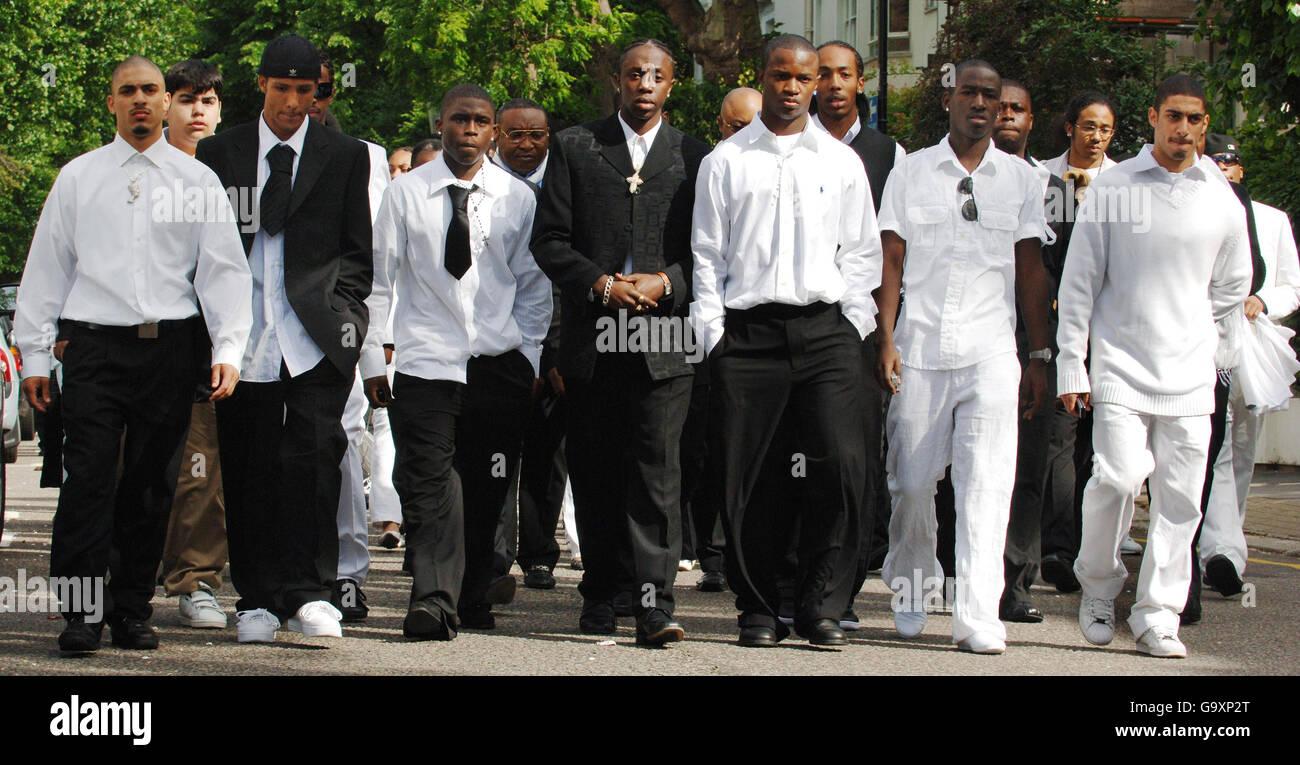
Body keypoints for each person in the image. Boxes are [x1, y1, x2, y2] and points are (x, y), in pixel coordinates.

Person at [16, 55, 252, 653]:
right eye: (130, 91)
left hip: (171, 350)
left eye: (151, 90)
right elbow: (46, 270)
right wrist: (37, 357)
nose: (142, 100)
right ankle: (81, 614)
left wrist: (228, 346)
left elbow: (223, 270)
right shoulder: (79, 178)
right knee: (88, 482)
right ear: (113, 102)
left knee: (152, 486)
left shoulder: (196, 182)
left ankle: (130, 610)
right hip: (96, 348)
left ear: (166, 100)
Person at [692, 34, 881, 648]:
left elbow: (862, 253)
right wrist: (715, 336)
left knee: (841, 466)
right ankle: (757, 606)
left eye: (807, 78)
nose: (795, 88)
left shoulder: (841, 162)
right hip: (748, 336)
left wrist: (853, 325)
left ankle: (821, 604)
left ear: (818, 85)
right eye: (782, 76)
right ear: (765, 77)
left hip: (826, 331)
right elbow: (706, 257)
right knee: (751, 475)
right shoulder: (724, 161)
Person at [1058, 74, 1251, 659]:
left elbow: (1232, 285)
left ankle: (1157, 613)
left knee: (1180, 498)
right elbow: (1080, 281)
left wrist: (1214, 350)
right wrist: (1073, 362)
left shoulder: (1221, 195)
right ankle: (1097, 586)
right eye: (1174, 117)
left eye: (1195, 119)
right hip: (1119, 364)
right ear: (1153, 117)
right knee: (1115, 479)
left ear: (1205, 123)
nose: (1184, 130)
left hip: (1190, 375)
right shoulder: (1115, 186)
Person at [195, 34, 373, 643]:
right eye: (283, 89)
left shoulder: (345, 154)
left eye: (307, 90)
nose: (294, 102)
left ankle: (311, 590)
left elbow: (357, 253)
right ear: (263, 87)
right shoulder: (221, 152)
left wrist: (346, 328)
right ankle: (256, 600)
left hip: (315, 339)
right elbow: (201, 248)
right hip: (240, 341)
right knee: (248, 470)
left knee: (317, 466)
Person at [532, 38, 709, 646]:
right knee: (596, 465)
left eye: (656, 76)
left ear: (671, 85)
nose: (644, 84)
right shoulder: (577, 146)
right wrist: (601, 285)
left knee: (658, 469)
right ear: (618, 79)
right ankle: (601, 592)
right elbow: (550, 241)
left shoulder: (695, 154)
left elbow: (710, 252)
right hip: (594, 332)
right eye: (635, 73)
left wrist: (667, 282)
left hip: (664, 333)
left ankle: (654, 602)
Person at [874, 59, 1054, 655]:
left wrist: (1038, 353)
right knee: (913, 481)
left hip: (992, 352)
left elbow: (1030, 271)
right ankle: (913, 585)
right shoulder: (912, 171)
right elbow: (891, 260)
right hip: (921, 347)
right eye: (969, 93)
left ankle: (977, 613)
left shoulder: (1026, 182)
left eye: (992, 97)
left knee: (986, 484)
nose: (981, 105)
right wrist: (886, 337)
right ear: (948, 99)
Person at [363, 83, 549, 638]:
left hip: (497, 364)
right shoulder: (405, 194)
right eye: (459, 119)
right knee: (428, 483)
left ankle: (471, 596)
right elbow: (378, 282)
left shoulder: (518, 198)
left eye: (480, 121)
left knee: (486, 487)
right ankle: (431, 599)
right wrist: (374, 358)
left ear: (493, 130)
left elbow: (534, 286)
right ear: (440, 123)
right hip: (426, 363)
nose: (469, 130)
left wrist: (530, 358)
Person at [811, 38, 905, 627]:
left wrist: (883, 331)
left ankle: (844, 589)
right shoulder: (791, 143)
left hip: (865, 326)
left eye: (845, 73)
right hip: (802, 323)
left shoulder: (890, 154)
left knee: (856, 458)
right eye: (825, 74)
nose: (835, 84)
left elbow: (893, 251)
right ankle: (799, 577)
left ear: (862, 81)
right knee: (804, 457)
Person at [1186, 135, 1300, 616]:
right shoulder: (1193, 213)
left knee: (1240, 453)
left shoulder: (1272, 219)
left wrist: (1264, 301)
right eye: (1218, 162)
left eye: (1233, 163)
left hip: (1252, 345)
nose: (1227, 169)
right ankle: (1215, 551)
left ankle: (1224, 549)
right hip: (1200, 345)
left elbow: (1291, 284)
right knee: (1207, 447)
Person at [990, 78, 1078, 624]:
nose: (1005, 117)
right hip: (974, 335)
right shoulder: (963, 182)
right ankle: (962, 572)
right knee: (966, 466)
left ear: (1031, 119)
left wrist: (1053, 353)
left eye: (1017, 109)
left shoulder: (1055, 189)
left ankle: (1016, 581)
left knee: (1028, 466)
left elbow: (1070, 275)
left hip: (1034, 345)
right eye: (997, 108)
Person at [309, 54, 391, 623]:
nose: (309, 98)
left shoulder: (365, 157)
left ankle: (346, 574)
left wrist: (376, 341)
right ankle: (282, 572)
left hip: (343, 322)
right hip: (274, 330)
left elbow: (377, 261)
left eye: (320, 88)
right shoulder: (250, 153)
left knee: (342, 438)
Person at [157, 57, 233, 630]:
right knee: (132, 466)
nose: (197, 111)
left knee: (202, 473)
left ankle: (197, 579)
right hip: (139, 346)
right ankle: (122, 576)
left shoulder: (235, 170)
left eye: (207, 101)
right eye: (187, 100)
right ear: (165, 107)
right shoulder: (130, 172)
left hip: (213, 347)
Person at [490, 97, 566, 590]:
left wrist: (551, 352)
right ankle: (493, 556)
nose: (526, 144)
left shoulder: (562, 186)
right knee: (496, 453)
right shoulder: (485, 187)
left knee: (547, 452)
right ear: (497, 135)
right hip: (494, 341)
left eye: (536, 135)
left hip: (555, 341)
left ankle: (539, 551)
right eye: (515, 134)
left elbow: (562, 276)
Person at [1041, 91, 1118, 182]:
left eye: (1105, 130)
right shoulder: (1043, 173)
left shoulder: (1122, 179)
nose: (1096, 137)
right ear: (1069, 128)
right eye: (1089, 128)